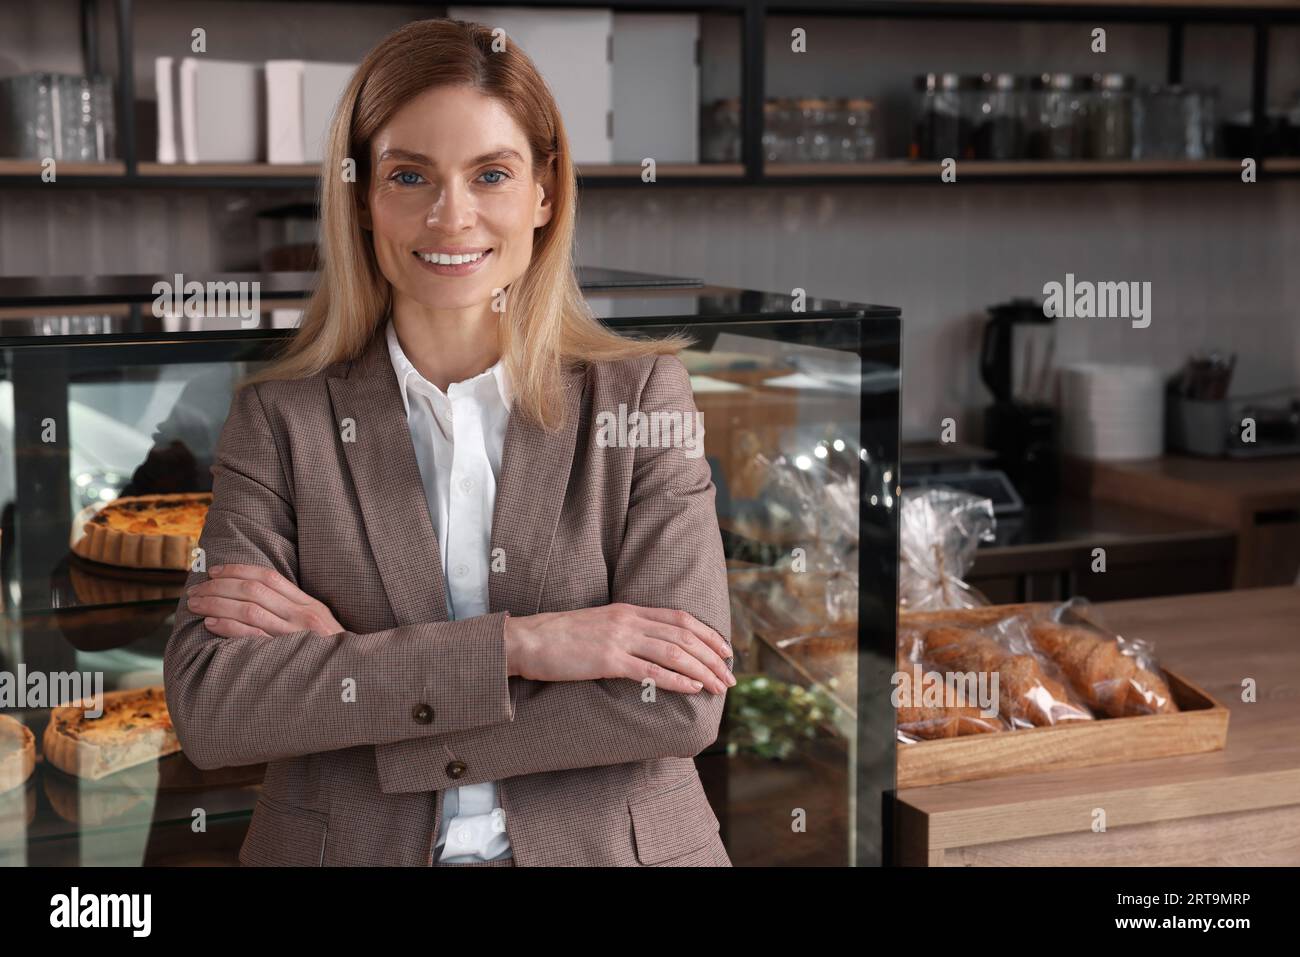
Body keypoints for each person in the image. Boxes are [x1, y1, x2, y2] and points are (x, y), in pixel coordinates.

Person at [163, 17, 735, 867]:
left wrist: (351, 675)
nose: (450, 215)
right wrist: (527, 643)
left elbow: (675, 702)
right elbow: (217, 707)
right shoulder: (281, 420)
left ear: (545, 191)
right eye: (409, 175)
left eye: (491, 174)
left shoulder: (643, 396)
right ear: (362, 196)